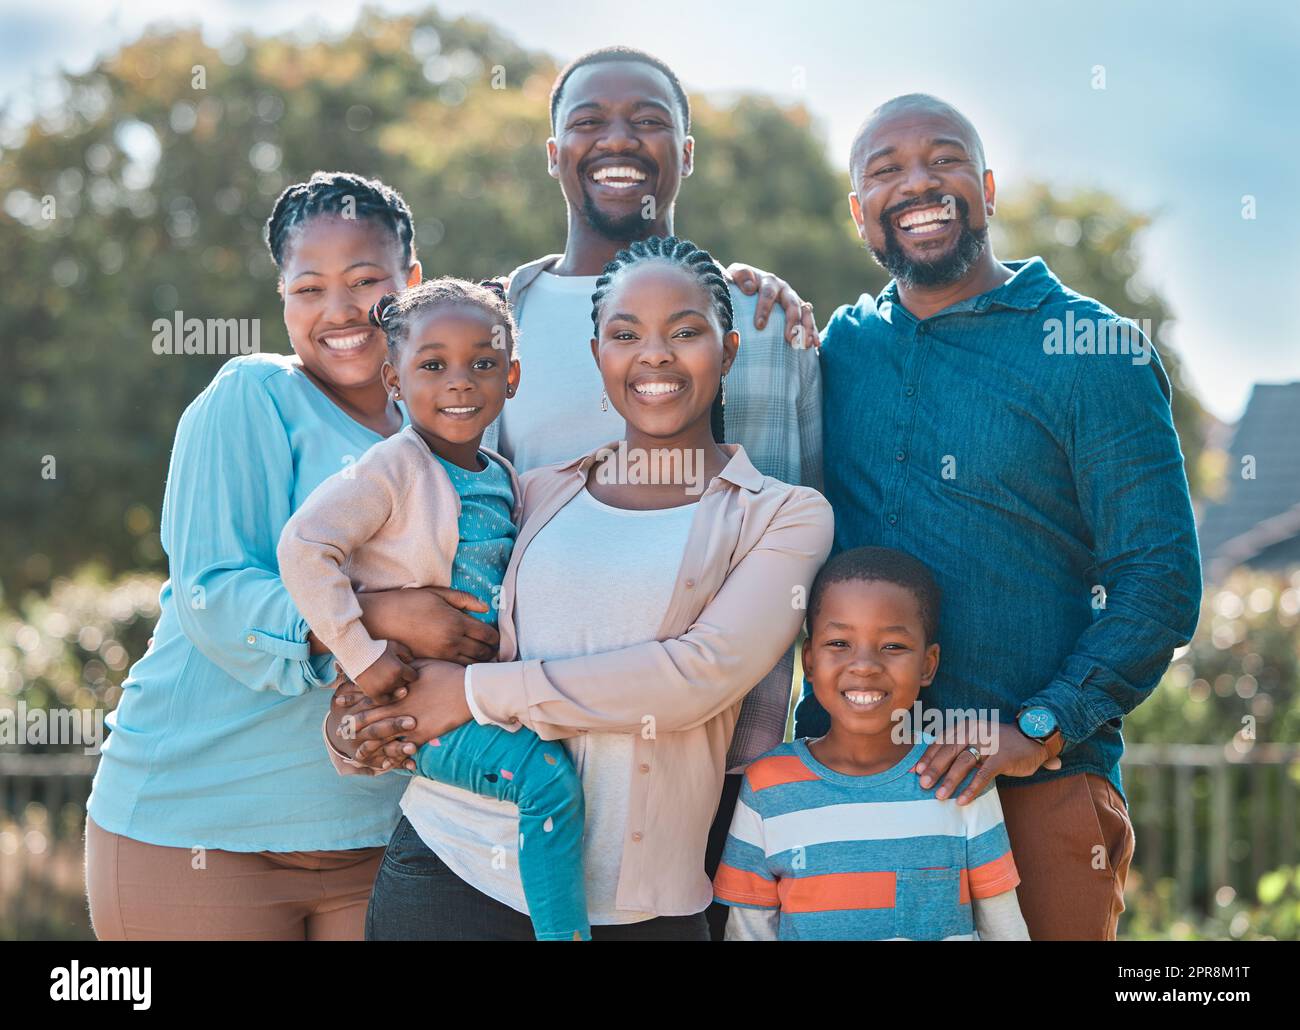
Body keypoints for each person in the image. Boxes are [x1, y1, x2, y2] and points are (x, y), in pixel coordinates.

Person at [331, 236, 834, 940]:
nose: (654, 355)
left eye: (685, 332)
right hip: (450, 867)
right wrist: (362, 718)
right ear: (599, 356)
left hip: (638, 909)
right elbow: (432, 617)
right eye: (626, 334)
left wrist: (472, 696)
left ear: (727, 352)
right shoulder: (531, 491)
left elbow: (697, 677)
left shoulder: (783, 515)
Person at [795, 94, 1202, 940]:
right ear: (857, 211)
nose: (918, 183)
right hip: (846, 794)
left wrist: (1039, 727)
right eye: (886, 170)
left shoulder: (1093, 353)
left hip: (1034, 796)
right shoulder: (837, 350)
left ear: (985, 186)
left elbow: (1159, 582)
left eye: (944, 161)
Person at [83, 172, 497, 940]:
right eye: (309, 288)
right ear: (282, 297)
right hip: (198, 830)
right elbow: (213, 594)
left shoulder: (459, 428)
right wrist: (380, 617)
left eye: (366, 281)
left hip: (386, 834)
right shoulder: (251, 397)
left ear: (411, 283)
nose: (338, 311)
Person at [487, 45, 825, 938]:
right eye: (588, 120)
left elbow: (791, 543)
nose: (618, 138)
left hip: (697, 753)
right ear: (552, 152)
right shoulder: (495, 322)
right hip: (511, 745)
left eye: (647, 119)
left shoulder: (754, 321)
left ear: (687, 151)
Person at [277, 279, 591, 941]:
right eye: (432, 365)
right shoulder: (393, 466)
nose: (459, 382)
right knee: (546, 782)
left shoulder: (501, 475)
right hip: (404, 701)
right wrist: (362, 657)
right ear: (393, 379)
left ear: (512, 375)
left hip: (475, 693)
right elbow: (304, 549)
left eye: (483, 364)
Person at [715, 547, 1030, 940]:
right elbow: (748, 932)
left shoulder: (957, 774)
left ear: (928, 665)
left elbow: (1005, 928)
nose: (864, 665)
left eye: (893, 646)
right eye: (839, 644)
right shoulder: (767, 786)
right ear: (809, 661)